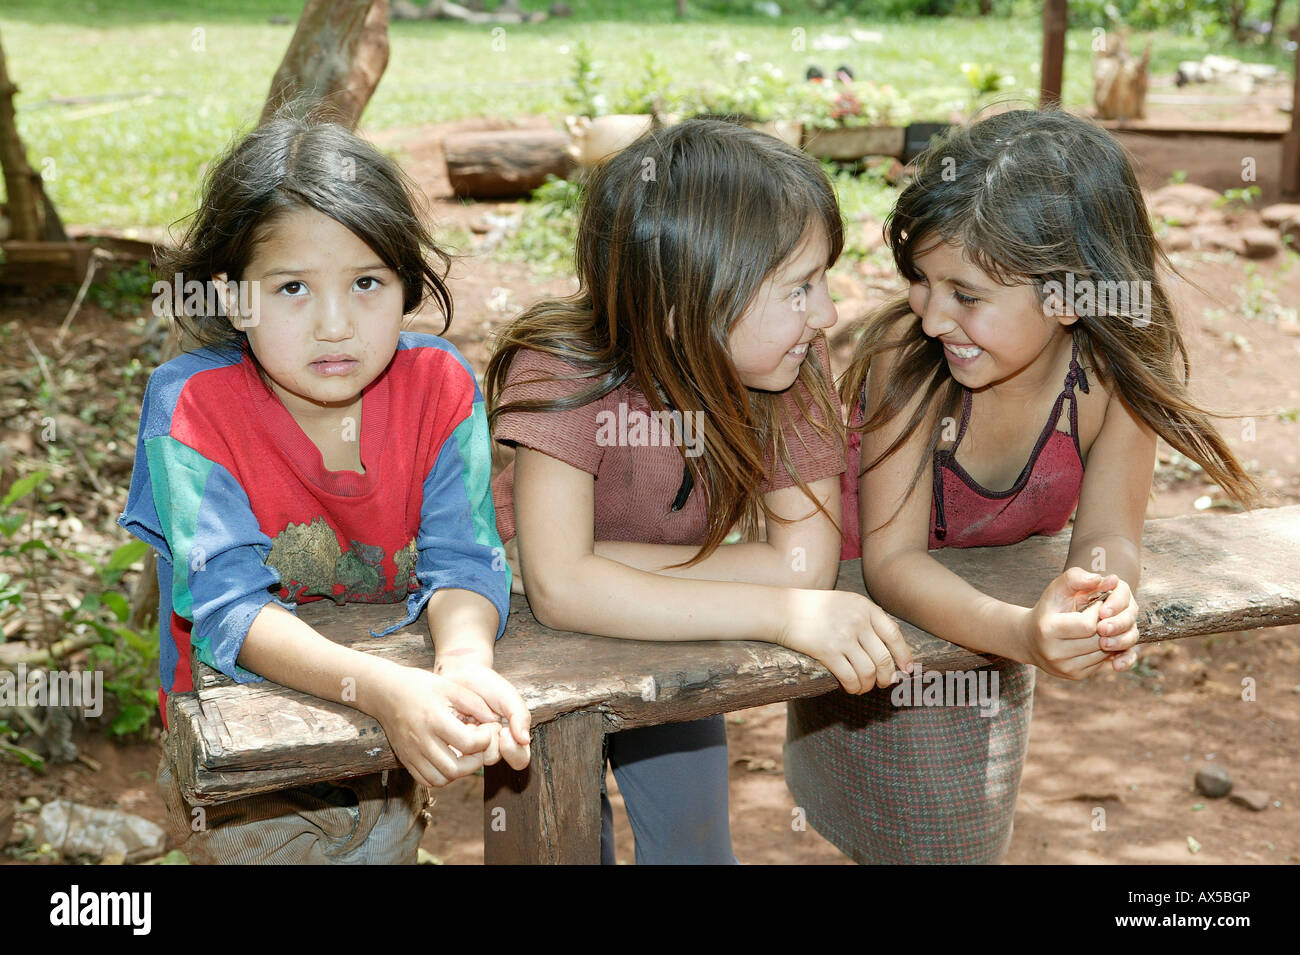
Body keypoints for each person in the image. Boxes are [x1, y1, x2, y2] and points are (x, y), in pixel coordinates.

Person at [785, 107, 1258, 864]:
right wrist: (1024, 634)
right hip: (875, 636)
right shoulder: (906, 369)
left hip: (998, 636)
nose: (934, 316)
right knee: (901, 832)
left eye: (966, 295)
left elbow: (1109, 537)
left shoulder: (1114, 382)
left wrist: (1103, 595)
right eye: (921, 281)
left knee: (965, 827)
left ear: (1069, 296)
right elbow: (892, 564)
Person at [484, 118, 913, 864]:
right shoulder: (563, 368)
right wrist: (782, 614)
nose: (828, 316)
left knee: (696, 846)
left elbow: (803, 565)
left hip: (675, 631)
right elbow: (554, 594)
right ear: (692, 307)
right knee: (555, 840)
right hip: (532, 656)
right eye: (800, 288)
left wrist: (591, 567)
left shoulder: (789, 366)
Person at [119, 109, 530, 864]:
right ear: (233, 295)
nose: (335, 324)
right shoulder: (192, 409)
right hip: (245, 766)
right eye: (292, 289)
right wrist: (382, 691)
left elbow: (466, 561)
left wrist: (464, 663)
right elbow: (229, 609)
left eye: (366, 282)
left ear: (406, 283)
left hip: (388, 744)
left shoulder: (439, 388)